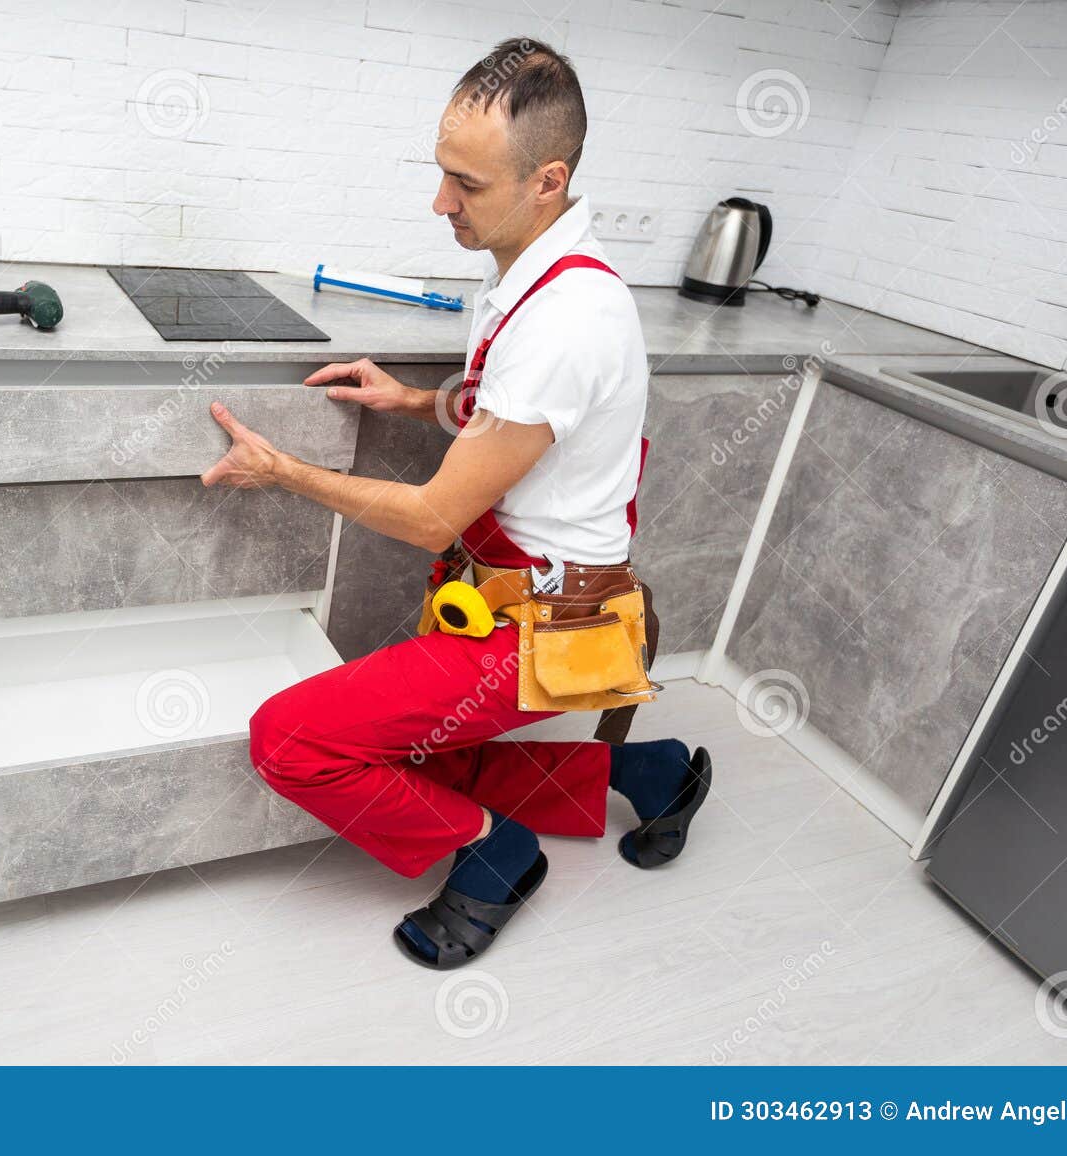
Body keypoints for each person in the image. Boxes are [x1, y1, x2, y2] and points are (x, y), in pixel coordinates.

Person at [201, 38, 711, 970]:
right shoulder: (532, 268)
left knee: (290, 739)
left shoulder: (568, 318)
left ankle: (493, 854)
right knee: (416, 745)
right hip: (523, 596)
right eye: (443, 175)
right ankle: (647, 770)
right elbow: (528, 419)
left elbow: (436, 516)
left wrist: (285, 474)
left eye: (464, 184)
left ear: (547, 179)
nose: (441, 203)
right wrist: (414, 400)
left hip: (546, 629)